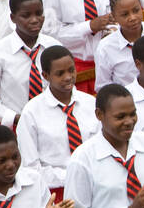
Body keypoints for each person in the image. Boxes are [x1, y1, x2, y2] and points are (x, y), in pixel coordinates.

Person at [16, 45, 99, 191]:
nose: (68, 77)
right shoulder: (31, 112)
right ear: (45, 76)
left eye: (71, 70)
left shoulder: (91, 104)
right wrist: (72, 176)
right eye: (60, 74)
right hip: (56, 189)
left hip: (96, 182)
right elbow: (30, 167)